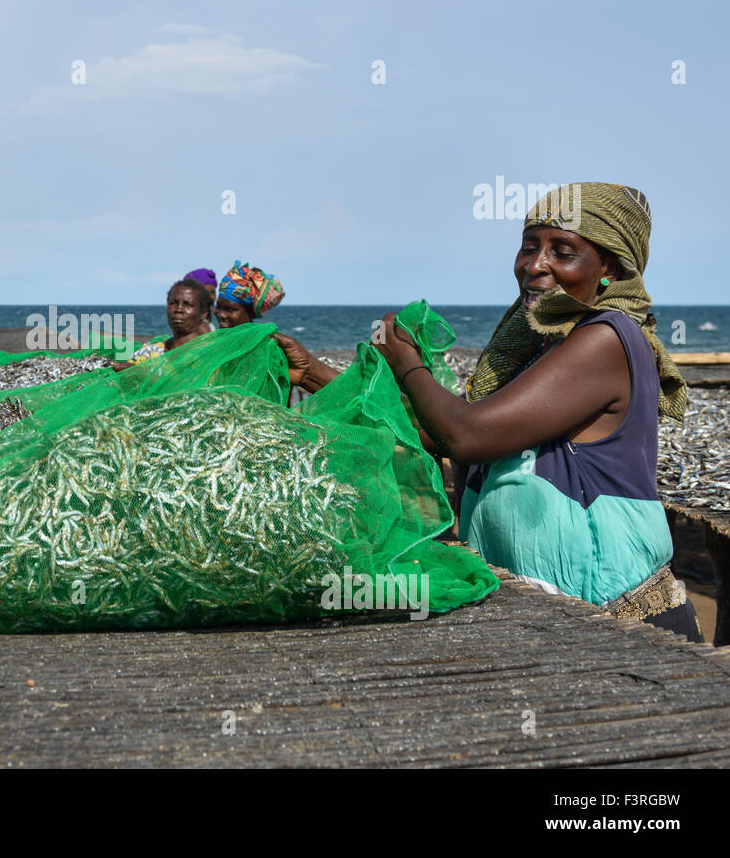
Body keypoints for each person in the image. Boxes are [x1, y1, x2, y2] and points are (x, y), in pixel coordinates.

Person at [365, 184, 698, 640]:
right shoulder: (542, 345)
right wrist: (318, 374)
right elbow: (449, 432)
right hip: (547, 626)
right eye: (529, 247)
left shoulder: (606, 336)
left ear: (610, 268)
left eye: (562, 252)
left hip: (623, 630)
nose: (535, 265)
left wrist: (406, 360)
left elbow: (467, 434)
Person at [113, 279, 213, 370]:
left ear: (203, 314)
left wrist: (144, 376)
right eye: (173, 303)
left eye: (187, 304)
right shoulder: (150, 352)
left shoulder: (209, 354)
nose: (178, 309)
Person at [214, 260, 286, 328]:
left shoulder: (261, 340)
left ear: (251, 313)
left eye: (230, 309)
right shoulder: (216, 339)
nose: (221, 315)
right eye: (218, 307)